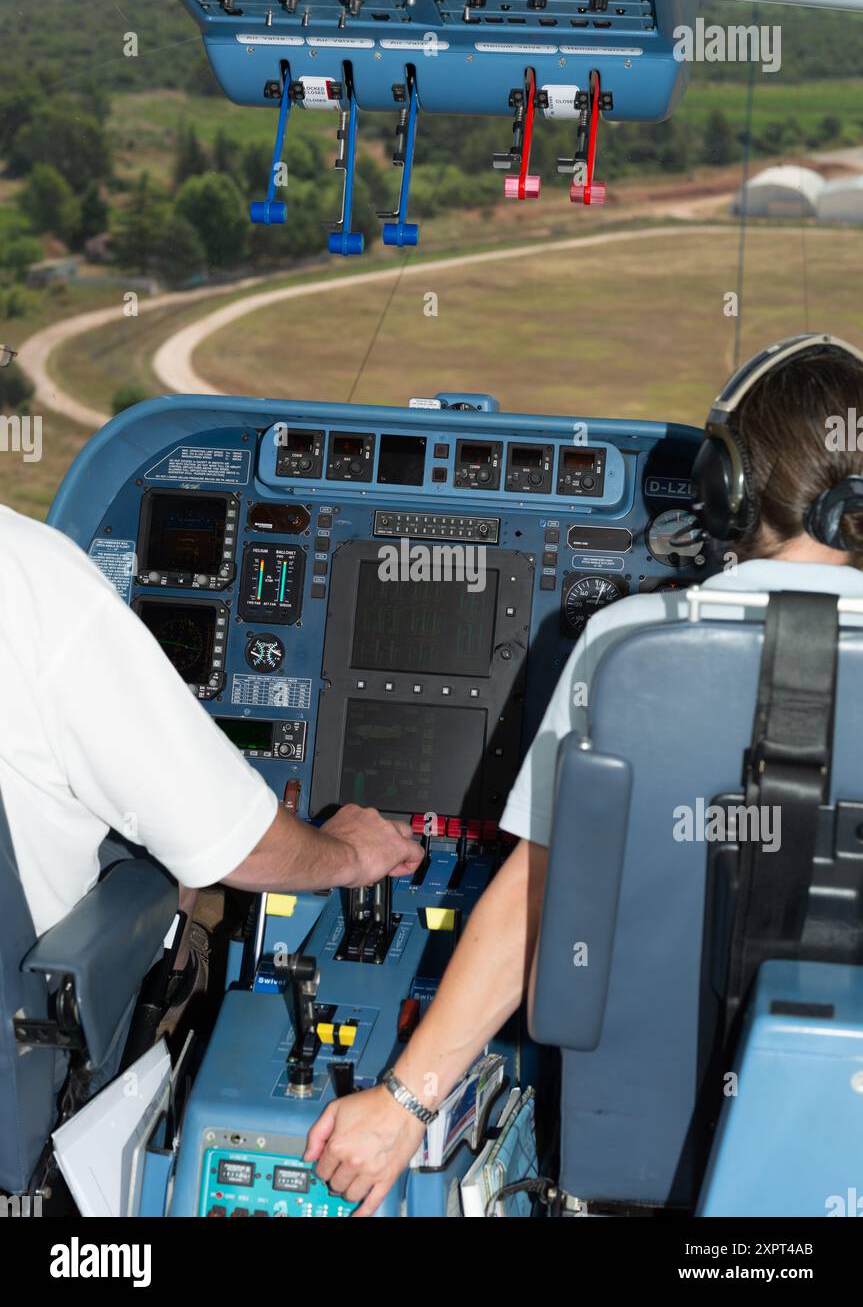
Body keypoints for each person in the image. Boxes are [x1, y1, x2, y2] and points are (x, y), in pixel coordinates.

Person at [304, 334, 863, 1215]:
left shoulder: (632, 648)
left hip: (635, 1158)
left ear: (726, 487)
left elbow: (537, 905)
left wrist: (402, 1108)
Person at [0, 504, 424, 944]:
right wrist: (350, 853)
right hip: (35, 989)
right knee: (177, 854)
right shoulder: (30, 570)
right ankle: (173, 987)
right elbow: (236, 847)